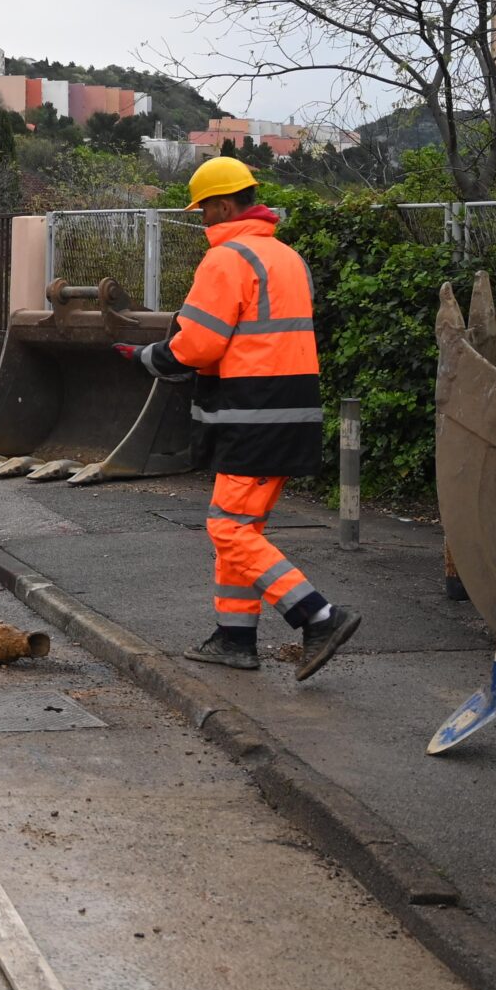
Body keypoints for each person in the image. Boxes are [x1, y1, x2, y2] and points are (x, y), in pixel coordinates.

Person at [120, 158, 361, 680]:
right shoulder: (288, 258)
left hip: (252, 413)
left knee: (227, 527)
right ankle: (234, 639)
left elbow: (201, 345)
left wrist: (148, 358)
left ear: (225, 205)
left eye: (204, 209)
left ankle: (319, 616)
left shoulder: (227, 259)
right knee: (242, 528)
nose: (202, 220)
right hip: (287, 411)